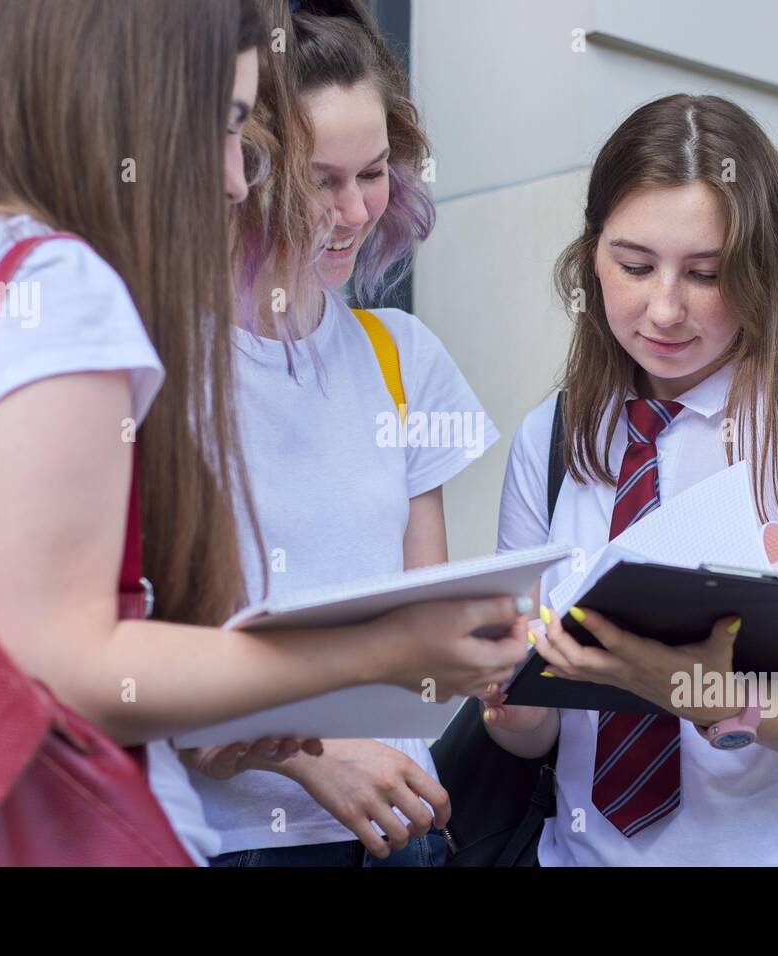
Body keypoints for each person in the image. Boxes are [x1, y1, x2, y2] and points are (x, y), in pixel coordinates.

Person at [0, 0, 528, 865]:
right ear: (129, 97)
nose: (237, 180)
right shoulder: (58, 283)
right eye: (222, 124)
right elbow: (69, 663)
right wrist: (385, 648)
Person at [483, 94, 778, 866]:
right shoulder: (552, 441)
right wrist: (506, 701)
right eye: (633, 265)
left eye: (705, 274)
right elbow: (538, 732)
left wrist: (713, 695)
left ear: (761, 271)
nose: (663, 309)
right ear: (592, 255)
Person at [180, 0, 492, 868]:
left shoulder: (402, 356)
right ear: (247, 166)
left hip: (404, 831)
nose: (355, 212)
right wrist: (314, 752)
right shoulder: (162, 364)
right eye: (322, 180)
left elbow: (422, 640)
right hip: (235, 842)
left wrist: (493, 653)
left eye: (376, 172)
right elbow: (134, 651)